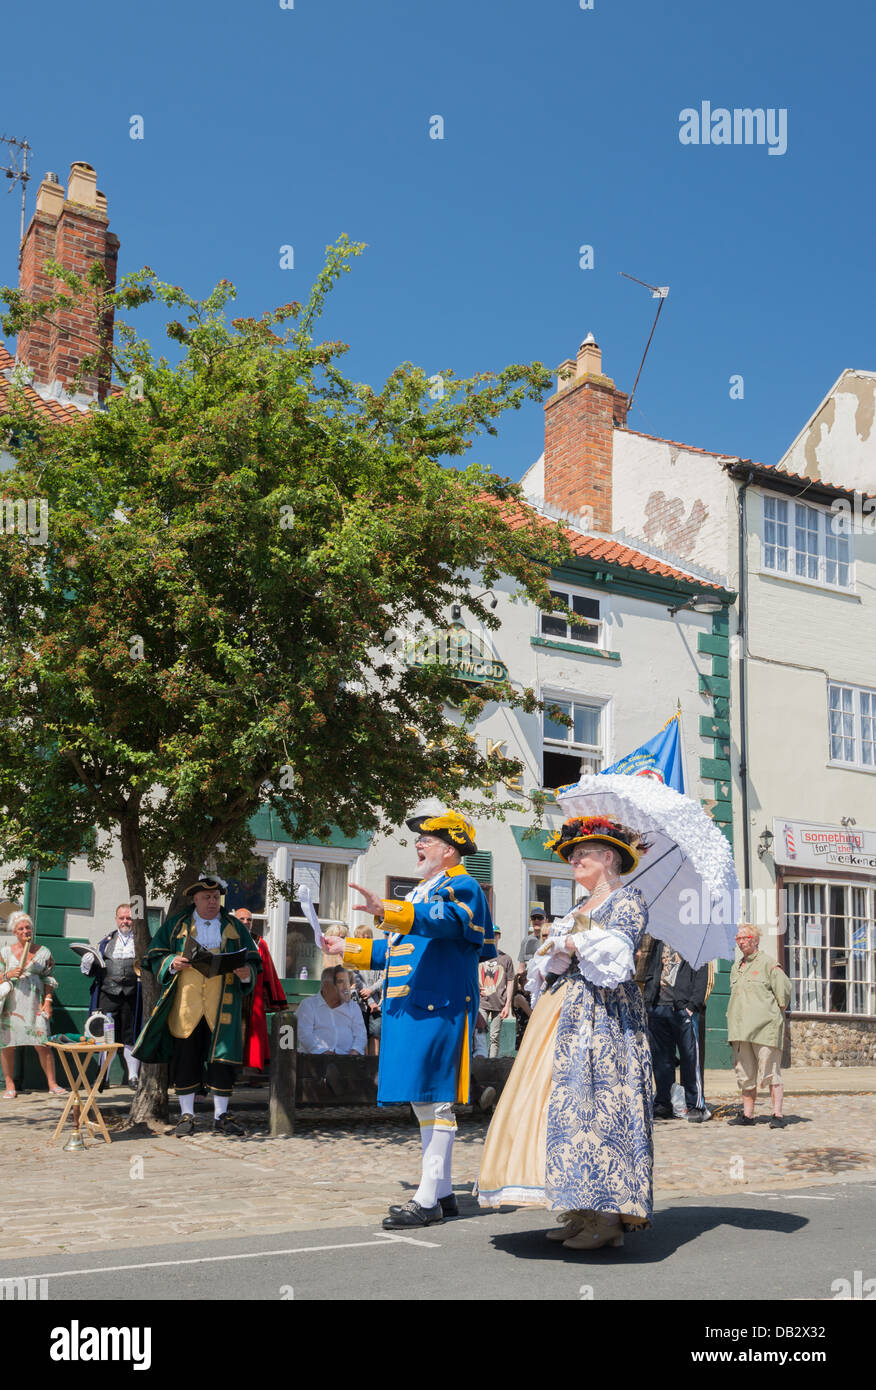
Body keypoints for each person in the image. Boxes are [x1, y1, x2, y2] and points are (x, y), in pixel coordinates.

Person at [477, 814, 653, 1252]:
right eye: (572, 854)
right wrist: (553, 953)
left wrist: (573, 941)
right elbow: (552, 963)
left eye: (582, 853)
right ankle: (580, 1208)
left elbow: (619, 953)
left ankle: (607, 1217)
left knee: (598, 1104)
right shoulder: (578, 908)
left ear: (608, 857)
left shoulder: (628, 900)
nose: (573, 859)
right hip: (563, 1011)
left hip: (604, 1017)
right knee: (562, 1105)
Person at [324, 809, 496, 1229]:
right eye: (419, 839)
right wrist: (346, 948)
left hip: (441, 1004)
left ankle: (427, 1199)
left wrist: (389, 909)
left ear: (450, 849)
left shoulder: (463, 885)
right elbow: (395, 950)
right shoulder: (422, 892)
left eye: (428, 839)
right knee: (424, 1099)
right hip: (413, 1005)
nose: (418, 844)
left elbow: (450, 923)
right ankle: (441, 1192)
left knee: (436, 1097)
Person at [131, 874, 260, 1137]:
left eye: (216, 897)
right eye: (206, 897)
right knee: (186, 1057)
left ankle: (221, 1116)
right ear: (195, 899)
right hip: (186, 1003)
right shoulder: (176, 924)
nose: (212, 902)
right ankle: (186, 1115)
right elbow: (154, 955)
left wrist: (247, 973)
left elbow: (254, 961)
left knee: (222, 1060)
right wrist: (171, 963)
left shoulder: (235, 926)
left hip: (222, 1004)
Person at [726, 923, 791, 1129]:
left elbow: (783, 994)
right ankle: (748, 1115)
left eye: (744, 938)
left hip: (765, 1028)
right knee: (744, 1075)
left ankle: (777, 1114)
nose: (741, 942)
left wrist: (771, 1014)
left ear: (755, 940)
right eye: (738, 938)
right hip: (740, 1030)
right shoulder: (736, 967)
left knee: (770, 1072)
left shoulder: (768, 964)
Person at [643, 936, 713, 1123]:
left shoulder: (697, 941)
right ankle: (663, 1102)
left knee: (690, 1059)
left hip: (682, 1009)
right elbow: (653, 968)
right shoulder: (660, 940)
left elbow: (703, 975)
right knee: (661, 1060)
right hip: (658, 1006)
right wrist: (649, 1000)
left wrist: (693, 1005)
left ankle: (695, 1105)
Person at [0, 911, 66, 1097]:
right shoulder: (5, 952)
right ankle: (10, 1085)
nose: (25, 931)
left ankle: (52, 1084)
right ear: (14, 932)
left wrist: (48, 1002)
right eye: (20, 929)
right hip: (11, 1005)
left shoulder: (43, 952)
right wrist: (8, 974)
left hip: (35, 1004)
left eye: (27, 927)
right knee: (7, 1044)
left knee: (43, 1044)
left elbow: (49, 979)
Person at [80, 902, 142, 1088]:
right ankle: (103, 1077)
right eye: (122, 918)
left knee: (131, 1035)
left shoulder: (142, 942)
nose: (125, 921)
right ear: (116, 919)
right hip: (108, 995)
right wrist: (87, 962)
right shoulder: (105, 943)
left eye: (129, 918)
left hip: (132, 994)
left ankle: (133, 1076)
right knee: (105, 1035)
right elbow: (91, 972)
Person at [236, 908, 287, 1073]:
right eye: (242, 919)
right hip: (232, 995)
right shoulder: (227, 939)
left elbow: (268, 971)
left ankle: (252, 1071)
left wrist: (272, 998)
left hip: (254, 996)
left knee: (254, 1035)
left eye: (249, 919)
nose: (246, 922)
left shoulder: (259, 943)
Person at [296, 965, 367, 1056]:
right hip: (315, 1058)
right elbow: (304, 1034)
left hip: (347, 1058)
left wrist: (354, 1052)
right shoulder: (308, 1005)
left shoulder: (353, 1006)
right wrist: (323, 1052)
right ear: (326, 987)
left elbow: (361, 1035)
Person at [478, 927, 515, 1059]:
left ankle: (492, 1063)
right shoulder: (479, 955)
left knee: (494, 1037)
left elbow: (510, 981)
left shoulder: (506, 959)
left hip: (499, 1004)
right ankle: (480, 1061)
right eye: (490, 934)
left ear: (499, 937)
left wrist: (507, 1004)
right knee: (480, 1034)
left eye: (495, 935)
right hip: (482, 1003)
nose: (493, 937)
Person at [517, 906, 546, 974]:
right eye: (534, 918)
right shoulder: (526, 941)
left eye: (540, 918)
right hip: (529, 978)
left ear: (545, 920)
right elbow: (521, 966)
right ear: (531, 920)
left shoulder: (550, 939)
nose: (536, 920)